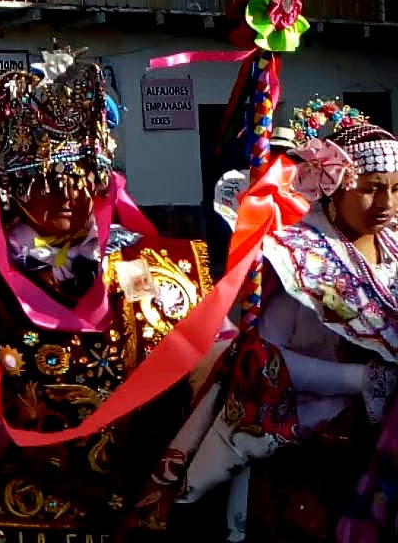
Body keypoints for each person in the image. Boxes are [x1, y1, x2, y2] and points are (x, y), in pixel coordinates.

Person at [0, 50, 221, 542]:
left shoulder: (138, 266)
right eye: (50, 185)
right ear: (15, 189)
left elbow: (201, 367)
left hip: (132, 509)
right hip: (17, 517)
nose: (70, 200)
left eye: (83, 184)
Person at [160, 105, 398, 542]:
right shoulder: (299, 257)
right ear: (335, 188)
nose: (385, 204)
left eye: (396, 189)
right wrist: (362, 379)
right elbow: (261, 356)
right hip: (311, 450)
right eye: (370, 189)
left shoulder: (395, 250)